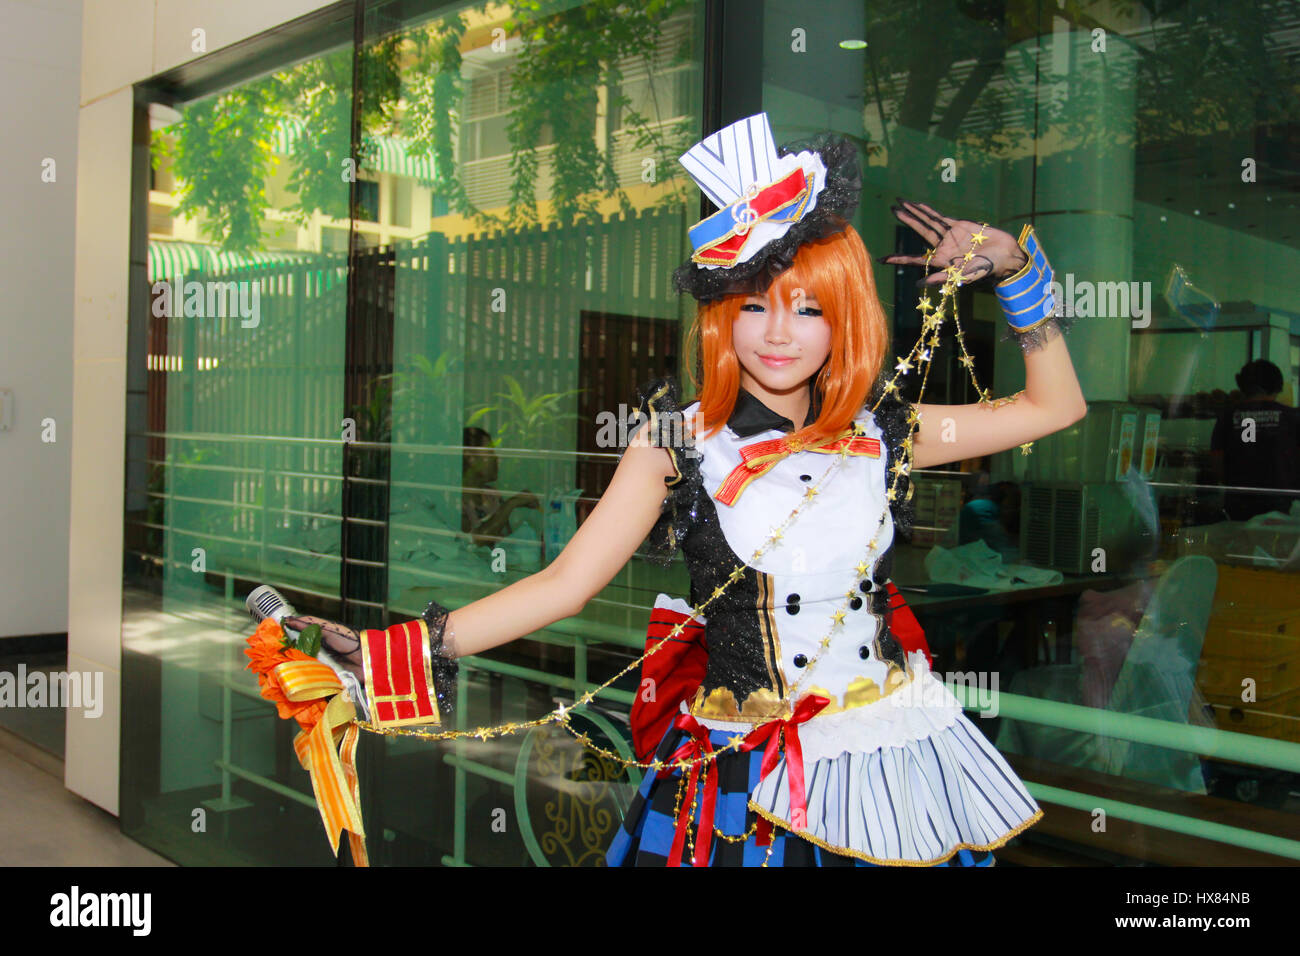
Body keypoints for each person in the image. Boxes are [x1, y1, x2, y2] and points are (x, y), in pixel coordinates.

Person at [276, 113, 1086, 867]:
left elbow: (1056, 407)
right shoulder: (677, 440)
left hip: (890, 742)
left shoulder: (883, 430)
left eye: (808, 309)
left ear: (845, 320)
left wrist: (1016, 271)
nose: (777, 332)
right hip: (742, 778)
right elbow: (565, 583)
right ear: (720, 315)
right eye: (754, 304)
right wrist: (390, 655)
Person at [1209, 359, 1300, 520]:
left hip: (1239, 504)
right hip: (1286, 505)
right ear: (1277, 385)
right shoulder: (1292, 417)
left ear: (1242, 385)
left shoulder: (1228, 417)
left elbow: (1217, 465)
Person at [460, 426, 540, 548]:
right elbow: (473, 541)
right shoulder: (457, 500)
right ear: (471, 458)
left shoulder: (492, 495)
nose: (497, 458)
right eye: (490, 452)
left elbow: (505, 542)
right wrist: (511, 504)